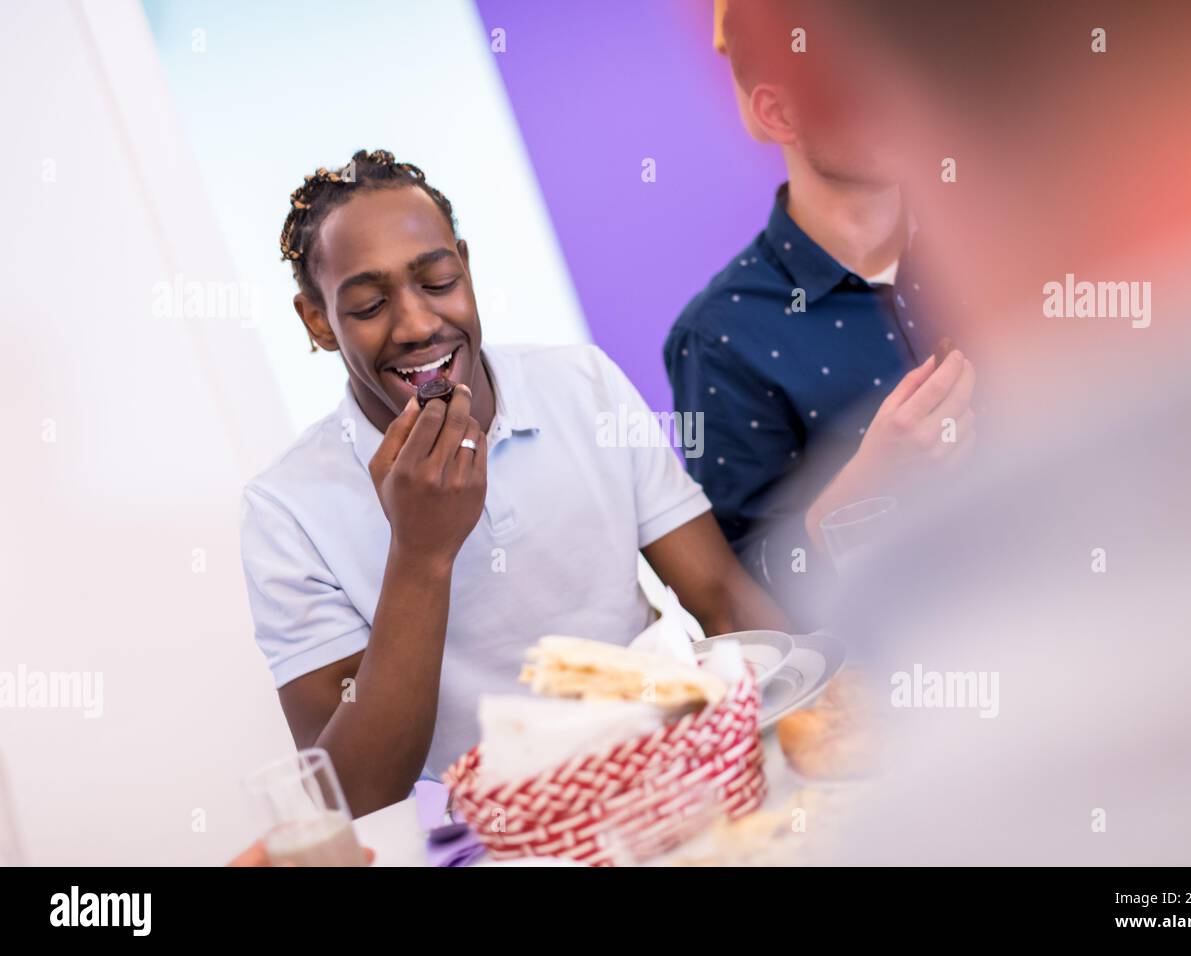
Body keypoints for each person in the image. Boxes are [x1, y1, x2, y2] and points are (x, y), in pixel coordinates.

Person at [240, 150, 788, 817]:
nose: (416, 325)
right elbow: (354, 791)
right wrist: (420, 552)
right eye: (370, 304)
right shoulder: (286, 510)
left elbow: (721, 597)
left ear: (465, 265)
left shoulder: (582, 384)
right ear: (318, 321)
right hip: (495, 843)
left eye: (438, 280)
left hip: (674, 781)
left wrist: (827, 708)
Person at [666, 0, 976, 616]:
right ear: (778, 112)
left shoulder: (996, 242)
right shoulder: (721, 336)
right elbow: (750, 598)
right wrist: (872, 476)